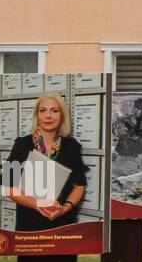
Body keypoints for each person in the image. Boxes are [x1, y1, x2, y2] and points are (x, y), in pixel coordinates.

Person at [6, 93, 87, 231]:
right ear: (37, 116)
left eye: (54, 111)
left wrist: (65, 208)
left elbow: (79, 186)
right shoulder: (21, 144)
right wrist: (38, 203)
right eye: (42, 110)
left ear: (62, 116)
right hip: (29, 225)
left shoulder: (72, 146)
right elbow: (10, 188)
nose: (48, 116)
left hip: (63, 224)